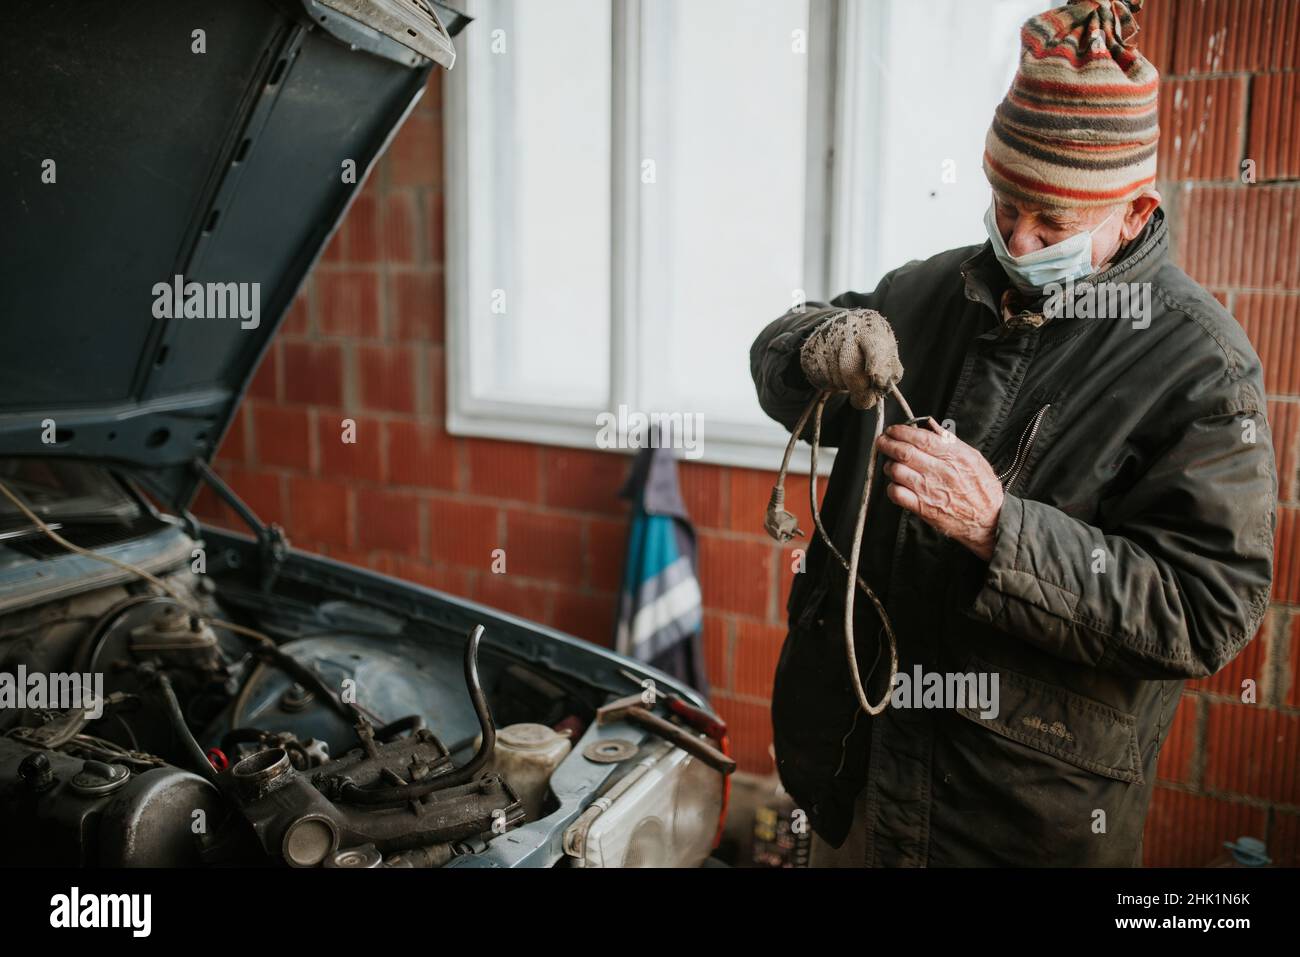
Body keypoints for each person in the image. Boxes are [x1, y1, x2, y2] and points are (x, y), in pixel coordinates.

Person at [749, 0, 1277, 866]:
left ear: (1136, 211)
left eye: (1053, 224)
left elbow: (1206, 609)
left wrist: (1003, 531)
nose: (1017, 239)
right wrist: (812, 346)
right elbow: (782, 367)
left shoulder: (1201, 369)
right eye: (1005, 202)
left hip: (1014, 826)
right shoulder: (929, 292)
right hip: (855, 783)